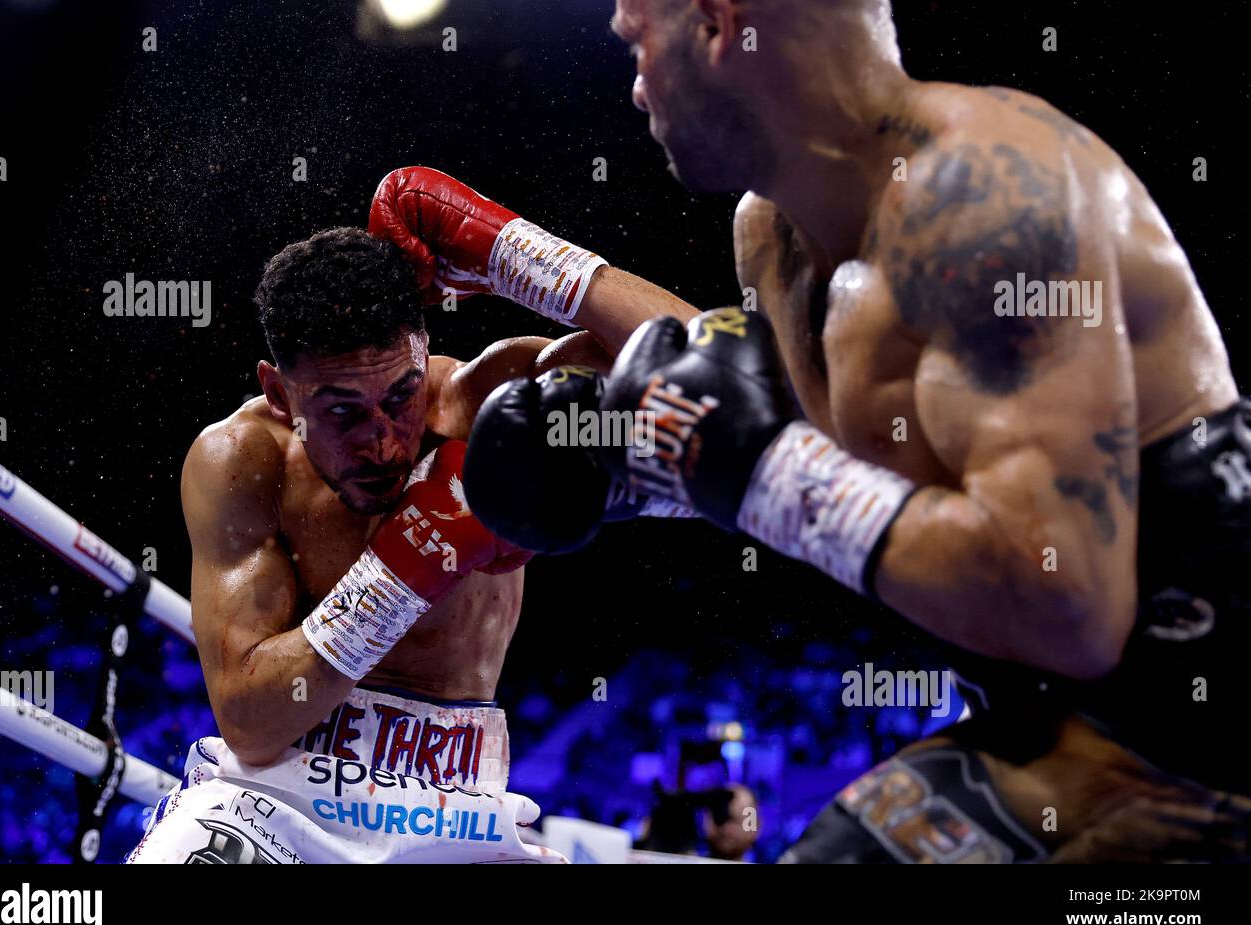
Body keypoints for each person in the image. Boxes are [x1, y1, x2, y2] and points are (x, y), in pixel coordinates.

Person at [464, 0, 1251, 861]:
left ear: (720, 25)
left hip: (1193, 739)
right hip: (1039, 719)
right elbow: (820, 457)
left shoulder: (989, 197)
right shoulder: (772, 235)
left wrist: (748, 464)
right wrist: (645, 459)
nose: (635, 79)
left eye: (637, 39)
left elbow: (1069, 612)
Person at [128, 201, 698, 862]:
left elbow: (706, 367)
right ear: (280, 392)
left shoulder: (491, 408)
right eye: (342, 410)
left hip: (463, 815)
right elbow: (251, 725)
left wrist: (507, 256)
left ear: (423, 353)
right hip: (276, 805)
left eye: (401, 395)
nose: (382, 441)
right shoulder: (241, 459)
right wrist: (403, 568)